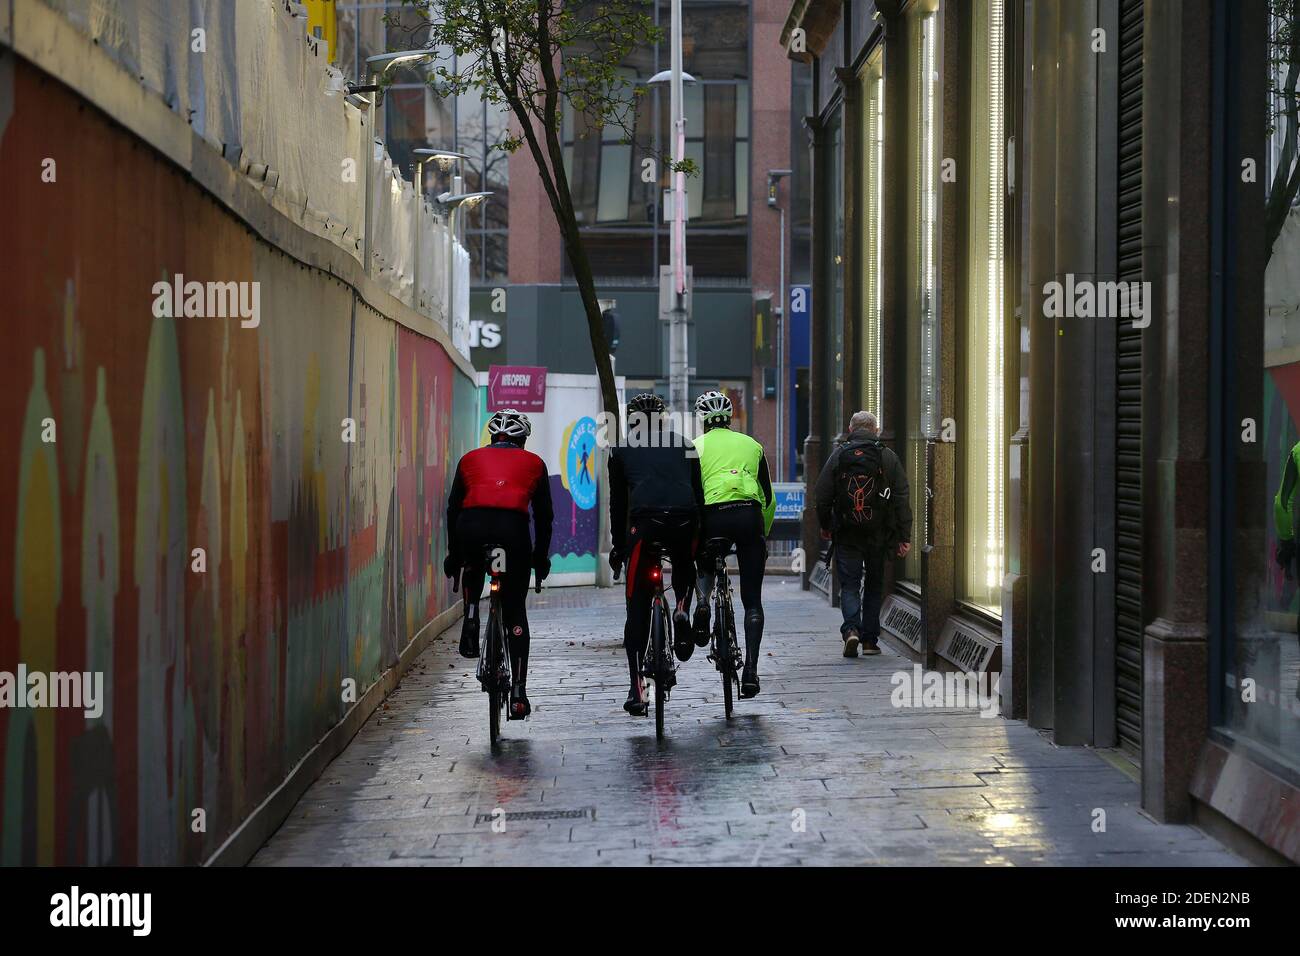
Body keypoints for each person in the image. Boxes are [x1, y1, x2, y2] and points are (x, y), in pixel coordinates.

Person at [444, 408, 554, 719]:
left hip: (471, 525)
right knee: (515, 608)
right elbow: (544, 518)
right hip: (513, 531)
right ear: (523, 440)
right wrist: (540, 559)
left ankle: (469, 617)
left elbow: (453, 509)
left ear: (493, 437)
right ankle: (519, 692)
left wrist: (454, 556)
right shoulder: (534, 463)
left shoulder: (469, 459)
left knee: (474, 561)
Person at [609, 393, 705, 716]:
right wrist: (699, 536)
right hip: (683, 519)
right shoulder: (686, 445)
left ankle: (637, 689)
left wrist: (618, 546)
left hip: (644, 525)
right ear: (664, 419)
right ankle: (680, 608)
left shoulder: (620, 451)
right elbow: (699, 496)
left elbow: (618, 506)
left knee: (635, 604)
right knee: (683, 563)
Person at [690, 390, 775, 698]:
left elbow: (691, 496)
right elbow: (768, 497)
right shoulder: (752, 445)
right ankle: (751, 671)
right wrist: (761, 535)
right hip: (748, 516)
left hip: (712, 518)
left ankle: (702, 602)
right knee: (753, 601)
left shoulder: (693, 448)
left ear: (703, 421)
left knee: (706, 559)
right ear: (730, 420)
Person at [814, 410, 912, 657]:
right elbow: (901, 497)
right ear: (876, 431)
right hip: (879, 532)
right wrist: (904, 535)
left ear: (850, 430)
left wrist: (826, 524)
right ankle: (869, 641)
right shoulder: (887, 457)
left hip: (847, 532)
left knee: (849, 584)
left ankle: (851, 631)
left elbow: (822, 494)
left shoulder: (838, 456)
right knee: (874, 584)